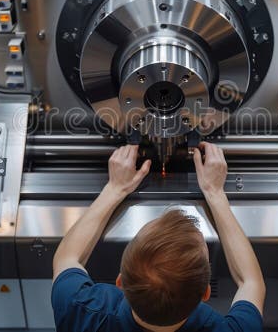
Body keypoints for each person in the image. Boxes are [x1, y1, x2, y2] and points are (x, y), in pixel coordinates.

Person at [51, 142, 266, 331]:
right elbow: (252, 281)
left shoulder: (82, 313)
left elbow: (66, 258)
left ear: (120, 282)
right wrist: (215, 193)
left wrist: (115, 188)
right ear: (206, 293)